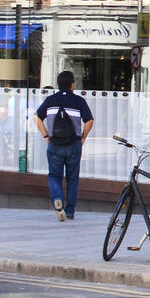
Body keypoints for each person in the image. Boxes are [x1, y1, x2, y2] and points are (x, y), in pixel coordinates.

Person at [34, 70, 95, 221]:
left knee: (54, 176)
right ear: (72, 85)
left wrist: (46, 136)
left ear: (59, 84)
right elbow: (89, 121)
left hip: (55, 143)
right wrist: (83, 138)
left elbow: (37, 118)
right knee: (72, 179)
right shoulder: (79, 101)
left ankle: (57, 198)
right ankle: (69, 212)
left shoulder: (50, 100)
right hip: (74, 144)